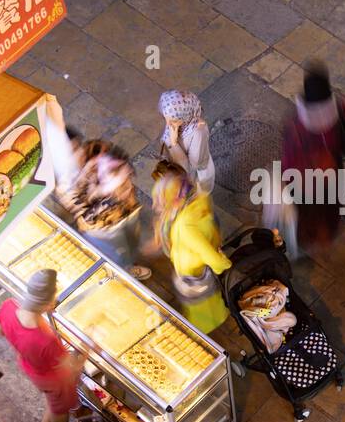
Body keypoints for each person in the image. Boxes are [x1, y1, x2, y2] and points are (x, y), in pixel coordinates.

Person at [0, 269, 102, 422]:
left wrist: (21, 344)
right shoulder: (44, 339)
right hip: (54, 379)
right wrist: (88, 345)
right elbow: (73, 368)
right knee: (59, 408)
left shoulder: (8, 306)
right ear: (46, 305)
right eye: (54, 297)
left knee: (52, 400)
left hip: (30, 366)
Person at [280, 61, 345, 254]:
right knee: (328, 210)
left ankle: (307, 238)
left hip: (301, 184)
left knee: (305, 213)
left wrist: (285, 182)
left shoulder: (295, 125)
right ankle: (326, 234)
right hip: (329, 178)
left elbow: (288, 160)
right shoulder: (341, 111)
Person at [58, 129, 150, 280]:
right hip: (105, 228)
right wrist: (102, 188)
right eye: (70, 153)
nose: (78, 153)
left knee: (133, 240)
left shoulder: (95, 149)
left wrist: (120, 171)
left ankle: (131, 260)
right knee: (117, 253)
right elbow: (87, 213)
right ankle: (125, 270)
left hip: (128, 209)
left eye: (77, 147)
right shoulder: (65, 184)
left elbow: (120, 160)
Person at [150, 169, 232, 333]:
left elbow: (213, 259)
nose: (156, 206)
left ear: (175, 201)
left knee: (201, 305)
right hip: (200, 257)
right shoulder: (200, 198)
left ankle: (207, 328)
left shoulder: (185, 226)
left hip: (193, 269)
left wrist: (225, 265)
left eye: (161, 201)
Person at [159, 90, 215, 194]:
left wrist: (174, 143)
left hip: (194, 178)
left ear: (185, 117)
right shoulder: (177, 122)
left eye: (173, 121)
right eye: (165, 118)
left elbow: (193, 165)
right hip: (176, 173)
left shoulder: (198, 132)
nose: (168, 124)